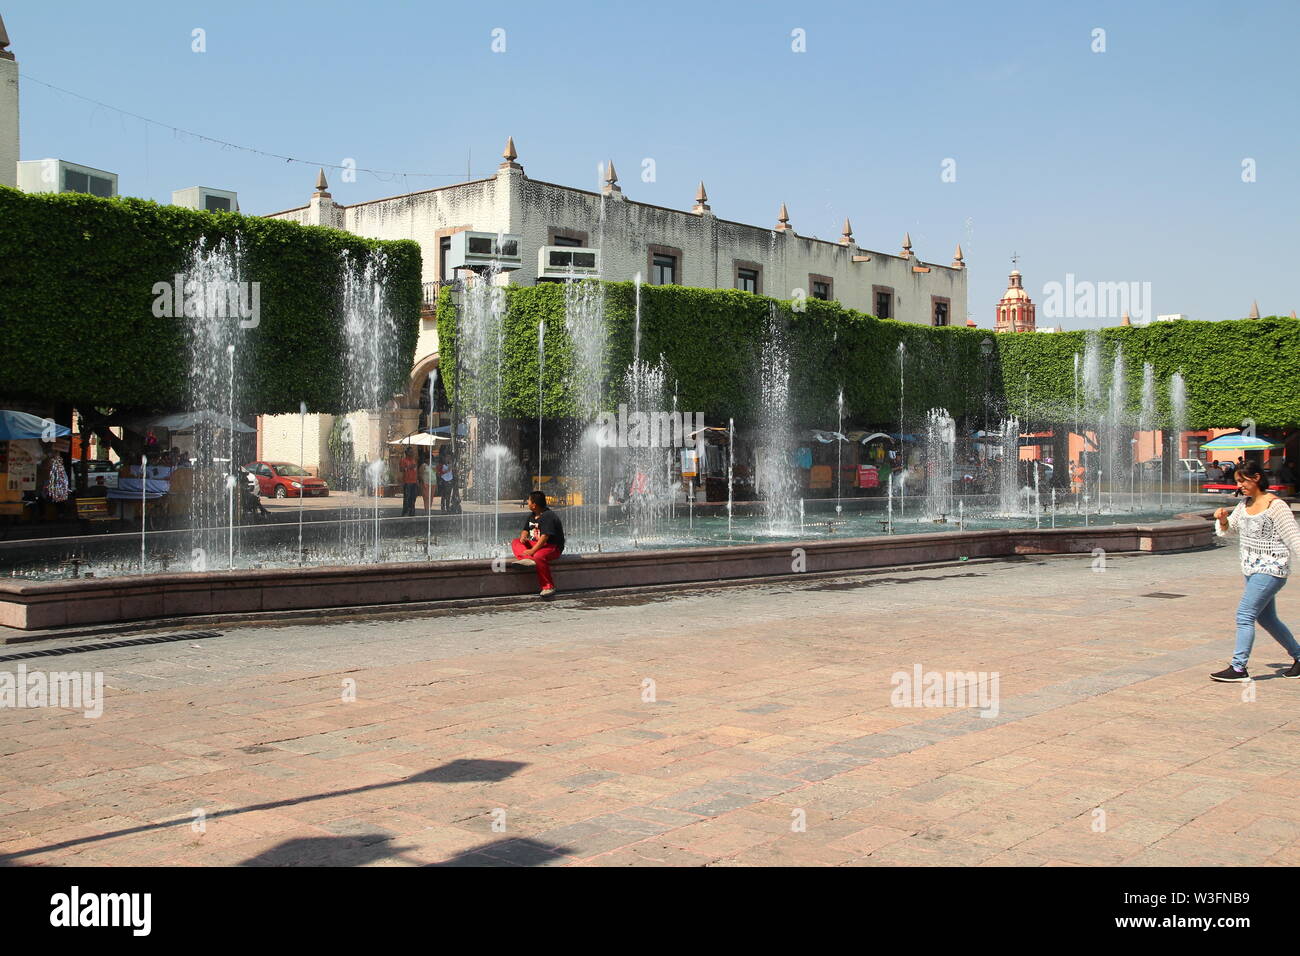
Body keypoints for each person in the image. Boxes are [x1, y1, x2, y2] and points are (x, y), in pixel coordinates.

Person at [1210, 460, 1300, 682]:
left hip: (1271, 569)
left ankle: (1239, 667)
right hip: (1251, 569)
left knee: (1244, 615)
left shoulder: (1276, 506)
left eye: (1242, 481)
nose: (1239, 485)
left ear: (1257, 478)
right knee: (1267, 619)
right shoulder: (1245, 505)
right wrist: (1222, 520)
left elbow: (1294, 538)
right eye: (1237, 482)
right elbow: (1230, 531)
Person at [511, 490, 564, 597]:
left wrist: (532, 551)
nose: (527, 503)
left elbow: (545, 537)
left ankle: (548, 587)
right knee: (515, 542)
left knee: (539, 556)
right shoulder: (532, 515)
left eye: (529, 501)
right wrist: (523, 536)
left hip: (551, 547)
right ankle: (528, 559)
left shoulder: (548, 516)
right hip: (535, 544)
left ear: (534, 505)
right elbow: (525, 529)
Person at [399, 448, 419, 517]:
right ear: (407, 452)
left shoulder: (413, 460)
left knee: (413, 497)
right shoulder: (403, 460)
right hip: (407, 482)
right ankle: (405, 512)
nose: (412, 453)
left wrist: (417, 480)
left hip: (414, 481)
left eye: (412, 452)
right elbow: (401, 469)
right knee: (407, 498)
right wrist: (409, 467)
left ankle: (412, 512)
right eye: (411, 452)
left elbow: (415, 471)